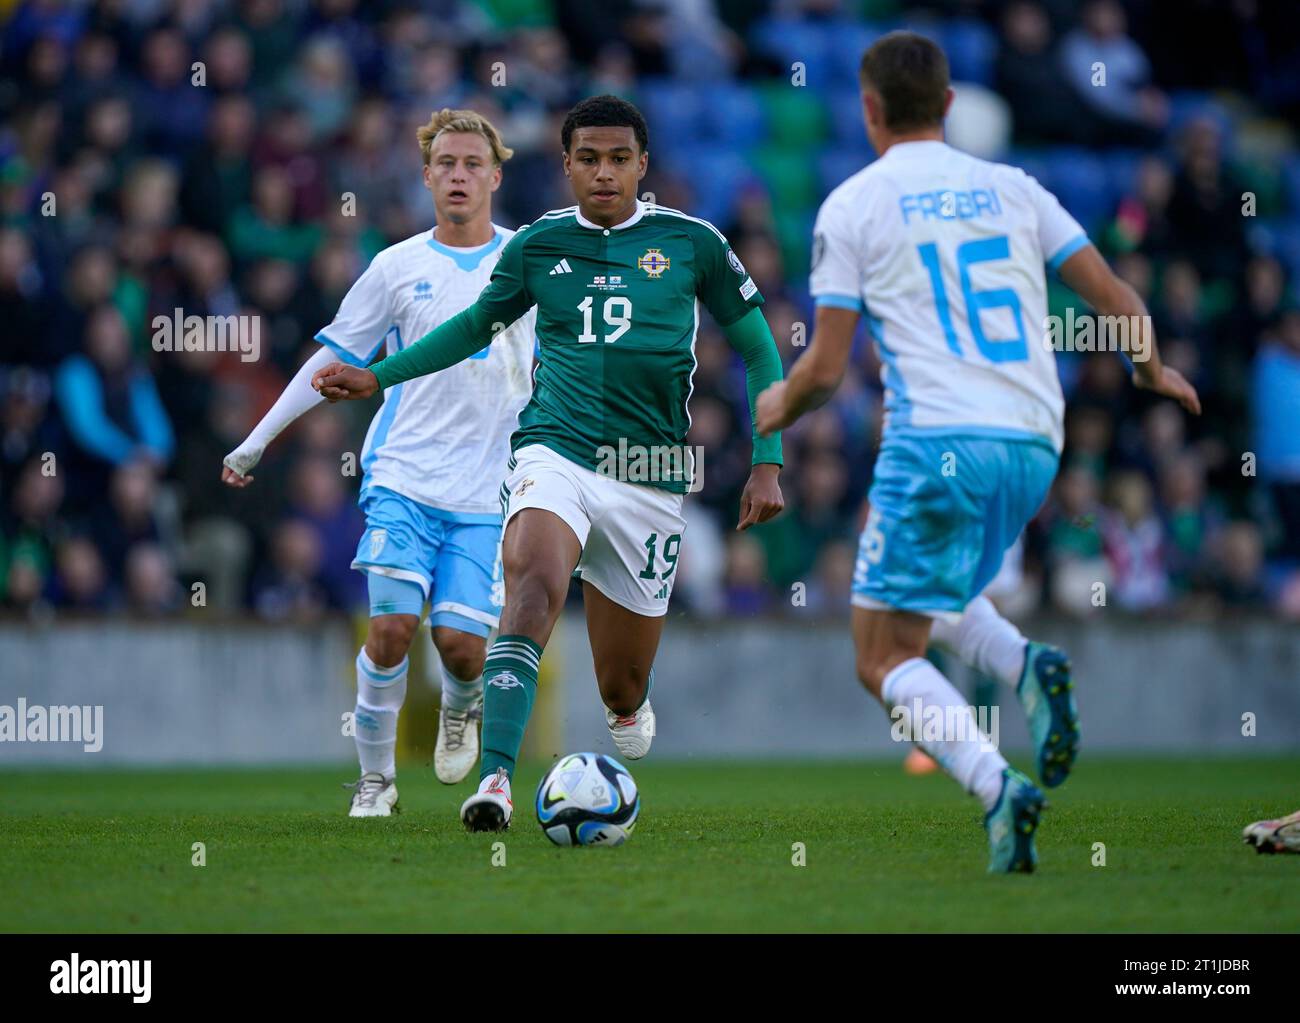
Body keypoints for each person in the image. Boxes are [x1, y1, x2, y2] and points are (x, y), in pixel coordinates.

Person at [757, 32, 1199, 872]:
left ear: (869, 106)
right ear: (951, 105)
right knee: (938, 588)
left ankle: (999, 786)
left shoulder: (854, 204)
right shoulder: (1015, 188)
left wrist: (776, 404)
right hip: (1035, 440)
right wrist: (1151, 366)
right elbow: (1112, 294)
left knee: (882, 652)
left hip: (937, 438)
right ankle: (1025, 661)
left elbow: (824, 369)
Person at [313, 95, 785, 832]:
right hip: (553, 449)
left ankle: (628, 699)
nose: (604, 173)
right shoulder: (536, 245)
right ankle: (496, 780)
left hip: (648, 472)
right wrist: (379, 374)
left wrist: (768, 459)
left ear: (642, 165)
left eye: (619, 159)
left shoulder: (690, 243)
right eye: (588, 158)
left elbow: (759, 348)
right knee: (530, 586)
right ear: (565, 164)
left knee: (620, 686)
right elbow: (473, 326)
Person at [222, 109, 536, 816]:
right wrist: (259, 438)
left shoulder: (529, 261)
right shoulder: (396, 266)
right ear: (426, 176)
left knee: (460, 645)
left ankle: (462, 704)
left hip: (491, 489)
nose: (458, 175)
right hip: (402, 476)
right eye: (445, 164)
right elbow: (333, 362)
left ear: (494, 175)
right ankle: (375, 781)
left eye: (471, 164)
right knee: (391, 628)